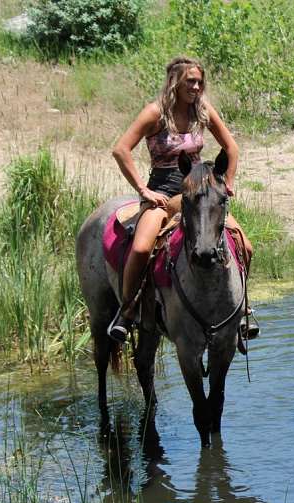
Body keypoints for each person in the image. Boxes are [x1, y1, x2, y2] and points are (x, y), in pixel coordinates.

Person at [108, 56, 251, 343]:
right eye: (190, 81)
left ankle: (244, 309)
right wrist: (143, 190)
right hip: (161, 194)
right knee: (140, 249)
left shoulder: (203, 111)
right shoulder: (155, 114)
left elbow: (231, 147)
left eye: (200, 82)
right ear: (175, 82)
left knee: (245, 245)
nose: (196, 87)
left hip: (199, 194)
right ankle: (127, 309)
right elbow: (121, 149)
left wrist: (228, 184)